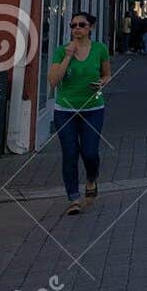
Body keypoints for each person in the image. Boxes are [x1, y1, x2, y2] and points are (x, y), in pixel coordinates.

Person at [47, 12, 110, 215]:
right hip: (65, 111)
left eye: (81, 25)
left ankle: (91, 179)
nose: (77, 29)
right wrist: (67, 56)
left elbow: (106, 74)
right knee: (70, 153)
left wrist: (101, 83)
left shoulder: (100, 49)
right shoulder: (61, 51)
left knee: (90, 153)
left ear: (90, 27)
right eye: (73, 25)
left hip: (93, 109)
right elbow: (53, 81)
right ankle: (73, 198)